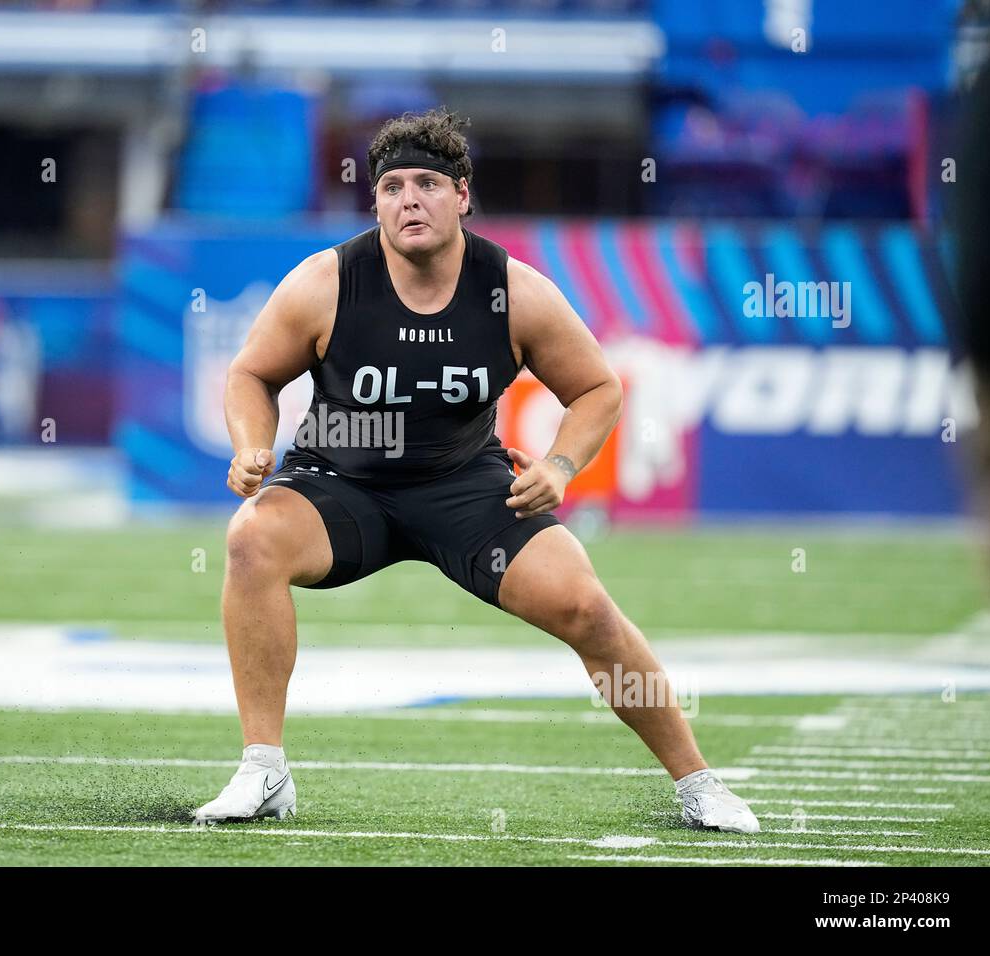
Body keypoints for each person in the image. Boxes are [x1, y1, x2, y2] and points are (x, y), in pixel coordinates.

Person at [193, 108, 758, 834]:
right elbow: (250, 375)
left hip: (465, 488)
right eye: (392, 187)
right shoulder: (325, 282)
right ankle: (263, 769)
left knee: (586, 607)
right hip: (340, 486)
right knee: (250, 540)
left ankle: (698, 782)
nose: (409, 200)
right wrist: (250, 445)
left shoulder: (513, 290)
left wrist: (561, 464)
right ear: (375, 202)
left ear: (462, 195)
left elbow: (598, 388)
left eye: (427, 183)